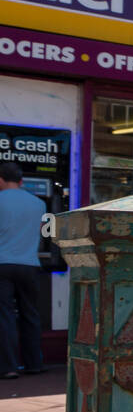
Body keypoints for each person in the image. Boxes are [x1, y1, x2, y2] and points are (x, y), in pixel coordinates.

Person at [0, 161, 46, 379]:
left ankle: (8, 366)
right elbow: (42, 233)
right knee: (30, 315)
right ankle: (34, 363)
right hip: (30, 265)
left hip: (2, 264)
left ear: (0, 179)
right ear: (21, 180)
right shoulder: (38, 203)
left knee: (5, 315)